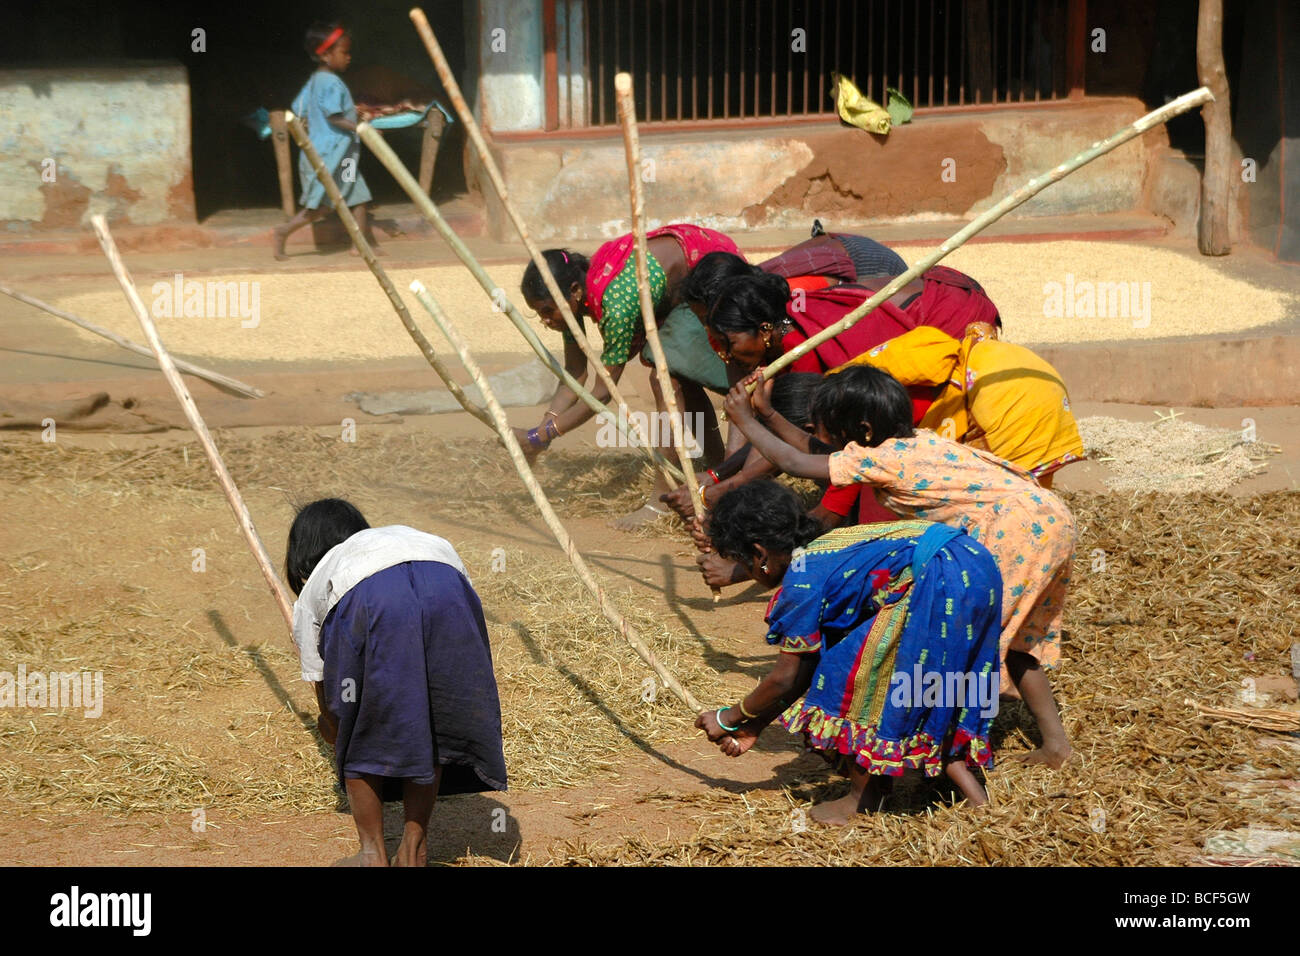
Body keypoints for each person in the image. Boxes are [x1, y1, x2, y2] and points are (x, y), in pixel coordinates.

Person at [724, 366, 1077, 769]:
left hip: (1014, 531)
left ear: (863, 430)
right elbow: (818, 456)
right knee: (1016, 641)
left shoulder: (888, 461)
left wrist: (744, 419)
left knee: (972, 641)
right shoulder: (917, 441)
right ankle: (1054, 746)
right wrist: (768, 415)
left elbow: (796, 462)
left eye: (831, 430)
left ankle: (953, 756)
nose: (826, 440)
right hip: (1051, 518)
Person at [695, 481, 1003, 824]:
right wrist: (757, 726)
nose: (748, 574)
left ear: (759, 554)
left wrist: (730, 716)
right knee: (942, 682)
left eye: (743, 563)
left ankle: (862, 799)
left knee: (846, 672)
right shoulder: (829, 545)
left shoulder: (802, 577)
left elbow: (785, 678)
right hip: (972, 563)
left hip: (938, 576)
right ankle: (976, 800)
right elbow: (801, 670)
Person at [286, 499, 507, 866]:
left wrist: (332, 722)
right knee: (430, 724)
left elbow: (325, 689)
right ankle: (414, 848)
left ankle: (372, 853)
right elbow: (464, 594)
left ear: (303, 553)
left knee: (359, 729)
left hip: (375, 598)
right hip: (447, 585)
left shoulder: (320, 582)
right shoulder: (406, 538)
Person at [518, 224, 741, 529]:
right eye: (538, 314)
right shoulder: (575, 301)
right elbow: (575, 371)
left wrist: (540, 436)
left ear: (574, 291)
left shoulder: (615, 303)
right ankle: (718, 469)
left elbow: (602, 391)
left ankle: (662, 500)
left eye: (546, 311)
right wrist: (543, 429)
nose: (545, 321)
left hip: (713, 273)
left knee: (665, 378)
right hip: (680, 289)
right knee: (674, 375)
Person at [837, 325, 1086, 487]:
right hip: (1032, 379)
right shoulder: (901, 362)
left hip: (1008, 396)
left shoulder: (879, 392)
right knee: (1029, 494)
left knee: (998, 494)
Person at [704, 266, 1001, 378]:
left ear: (765, 330)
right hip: (938, 285)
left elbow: (806, 435)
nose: (727, 357)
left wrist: (718, 483)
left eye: (730, 345)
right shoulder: (793, 317)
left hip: (952, 309)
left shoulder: (799, 348)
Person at [273, 23, 379, 261]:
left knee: (358, 196)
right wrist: (362, 128)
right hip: (331, 157)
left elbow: (301, 108)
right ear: (324, 54)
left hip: (344, 155)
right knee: (322, 206)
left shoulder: (315, 80)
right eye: (344, 52)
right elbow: (333, 116)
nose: (349, 57)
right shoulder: (332, 83)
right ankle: (283, 232)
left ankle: (360, 246)